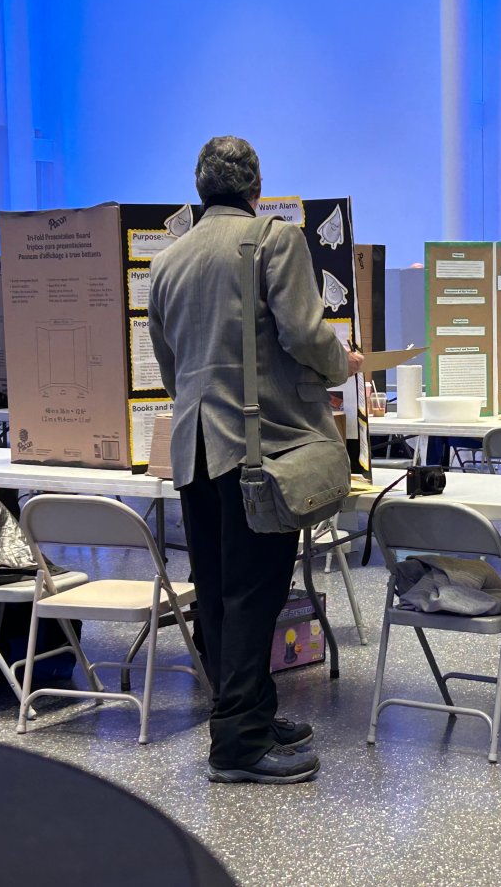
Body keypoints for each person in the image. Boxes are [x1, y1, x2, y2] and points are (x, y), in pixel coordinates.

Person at [148, 136, 363, 785]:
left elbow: (167, 366)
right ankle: (238, 745)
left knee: (215, 592)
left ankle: (248, 712)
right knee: (255, 593)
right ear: (256, 187)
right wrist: (341, 363)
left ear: (199, 188)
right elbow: (303, 333)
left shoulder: (168, 259)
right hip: (256, 450)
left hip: (192, 450)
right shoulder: (274, 241)